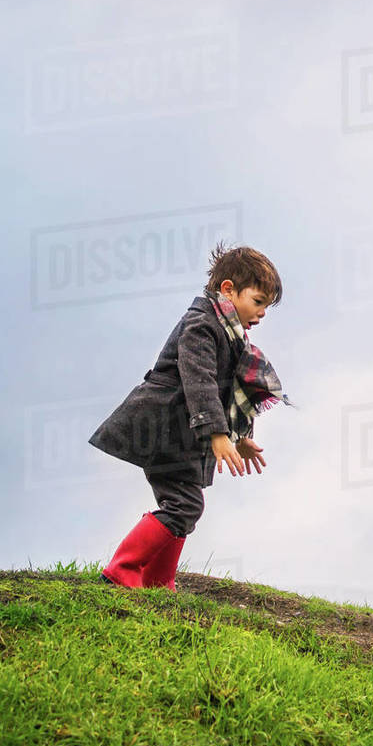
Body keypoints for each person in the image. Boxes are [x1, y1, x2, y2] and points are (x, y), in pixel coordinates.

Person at [88, 243, 295, 590]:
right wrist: (217, 434)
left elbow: (229, 389)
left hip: (182, 431)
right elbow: (199, 380)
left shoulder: (232, 337)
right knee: (184, 503)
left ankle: (158, 580)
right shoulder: (201, 325)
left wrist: (239, 437)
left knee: (184, 501)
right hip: (162, 424)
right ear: (228, 289)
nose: (261, 313)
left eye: (266, 307)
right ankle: (124, 567)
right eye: (257, 301)